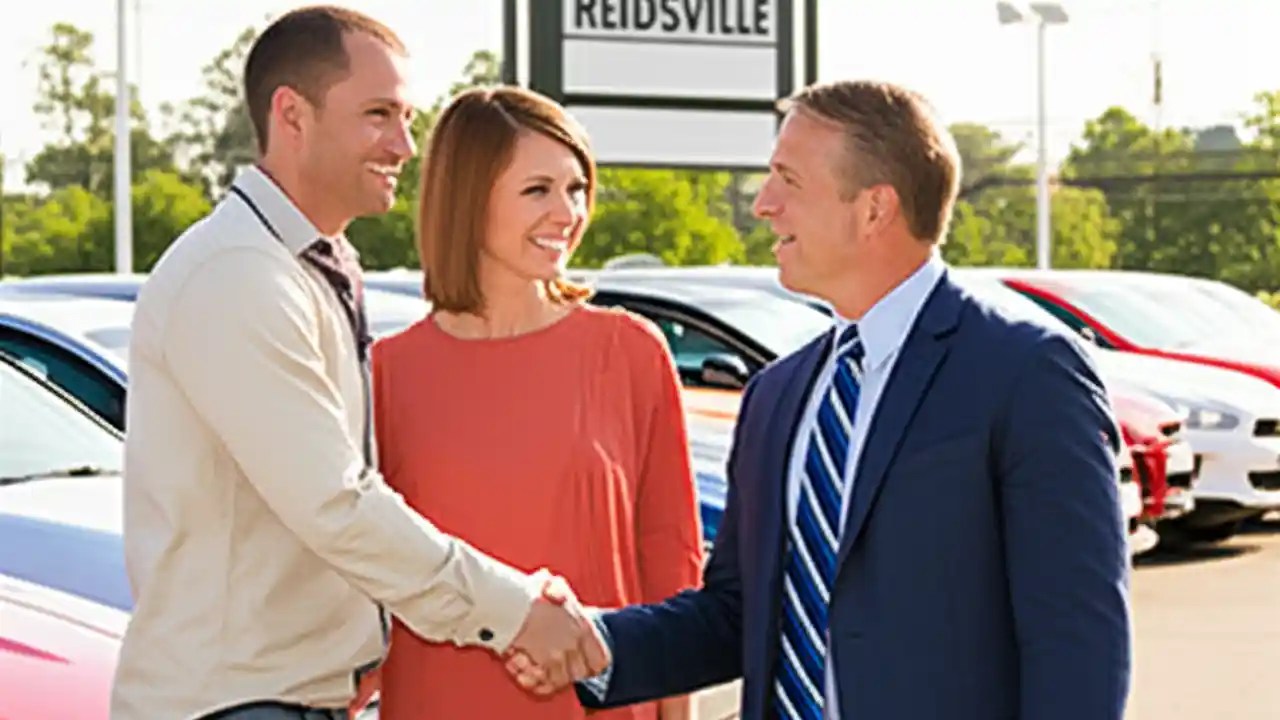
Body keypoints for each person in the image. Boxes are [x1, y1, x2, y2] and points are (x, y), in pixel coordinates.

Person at [513, 79, 1134, 719]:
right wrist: (598, 643)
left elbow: (1077, 643)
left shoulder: (1028, 373)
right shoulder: (778, 395)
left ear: (873, 209)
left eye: (788, 179)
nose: (764, 205)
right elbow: (738, 615)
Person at [112, 7, 606, 719]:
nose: (405, 145)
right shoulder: (237, 275)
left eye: (408, 117)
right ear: (293, 115)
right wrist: (518, 609)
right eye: (379, 114)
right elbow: (336, 503)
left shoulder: (300, 267)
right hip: (235, 704)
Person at [369, 85, 703, 720]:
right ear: (469, 199)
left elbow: (670, 560)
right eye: (537, 190)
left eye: (577, 188)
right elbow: (367, 572)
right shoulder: (385, 372)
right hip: (437, 704)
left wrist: (674, 712)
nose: (567, 212)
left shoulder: (630, 351)